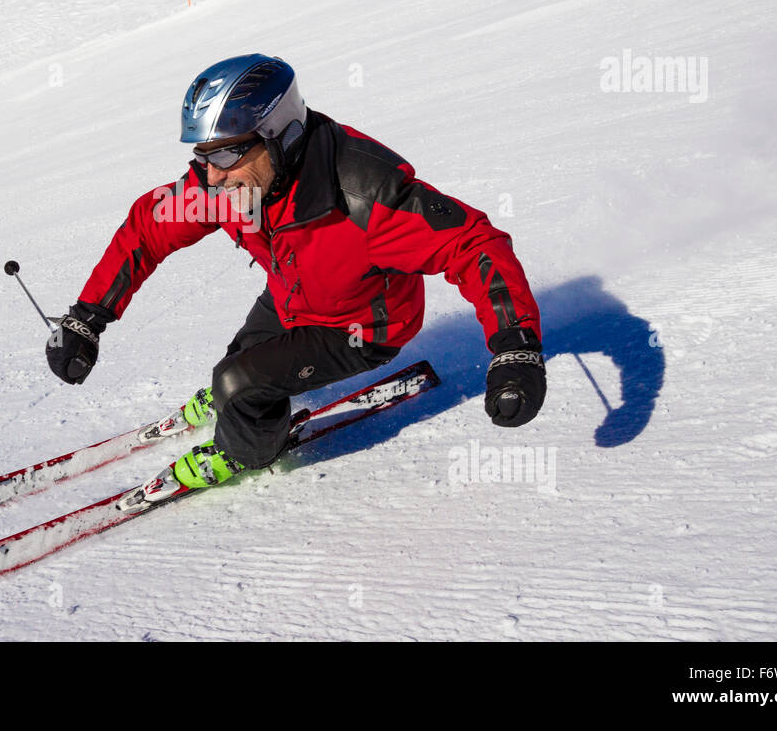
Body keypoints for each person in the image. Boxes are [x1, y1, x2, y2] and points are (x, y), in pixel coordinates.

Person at [47, 53, 545, 495]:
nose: (212, 173)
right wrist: (86, 317)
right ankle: (238, 401)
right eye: (202, 155)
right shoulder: (227, 185)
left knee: (238, 383)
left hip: (363, 326)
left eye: (224, 153)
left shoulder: (365, 194)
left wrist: (515, 344)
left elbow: (473, 245)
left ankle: (244, 451)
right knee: (240, 366)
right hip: (292, 297)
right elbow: (147, 229)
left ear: (279, 136)